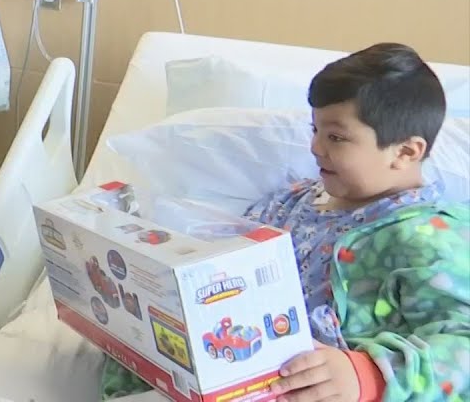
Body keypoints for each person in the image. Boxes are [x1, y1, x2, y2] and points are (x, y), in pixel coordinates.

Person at [103, 43, 470, 401]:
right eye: (315, 131)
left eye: (336, 137)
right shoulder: (290, 202)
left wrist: (366, 376)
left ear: (405, 152)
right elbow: (220, 263)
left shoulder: (429, 236)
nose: (315, 148)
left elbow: (462, 347)